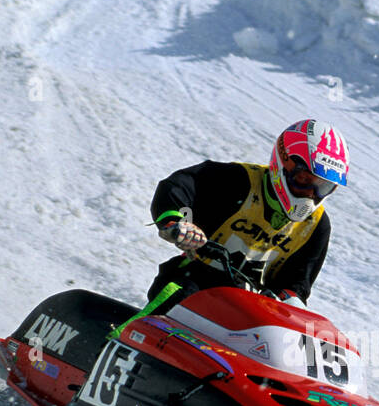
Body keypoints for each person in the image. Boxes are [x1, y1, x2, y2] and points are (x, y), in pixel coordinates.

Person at [143, 119, 349, 313]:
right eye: (304, 179)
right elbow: (177, 187)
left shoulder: (316, 226)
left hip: (249, 308)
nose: (311, 194)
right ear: (283, 163)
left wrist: (286, 299)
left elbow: (297, 283)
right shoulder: (237, 180)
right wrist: (178, 222)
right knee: (179, 298)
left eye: (323, 187)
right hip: (192, 279)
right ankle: (122, 337)